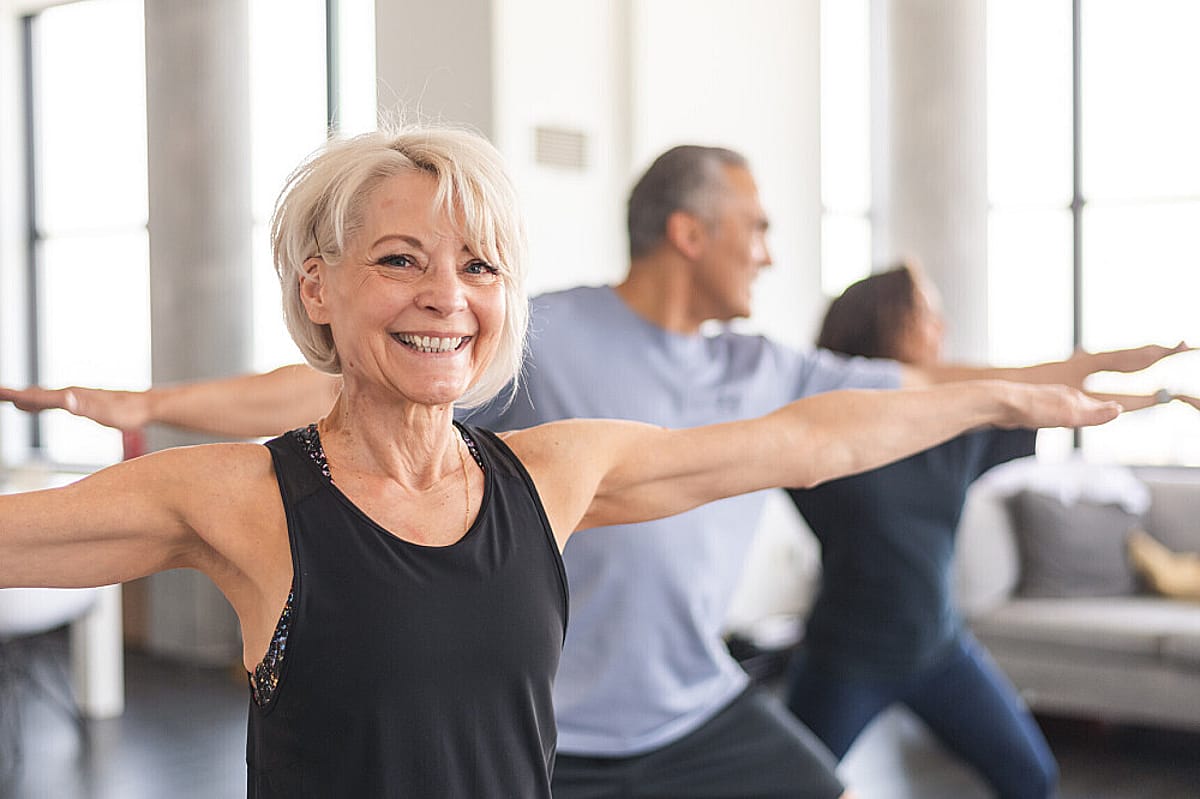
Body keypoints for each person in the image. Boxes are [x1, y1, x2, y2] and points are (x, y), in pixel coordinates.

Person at [0, 144, 1181, 798]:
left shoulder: (552, 471)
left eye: (477, 266)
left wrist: (1008, 396)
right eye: (400, 259)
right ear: (319, 287)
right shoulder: (242, 494)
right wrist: (153, 404)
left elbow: (811, 436)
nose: (444, 297)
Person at [784, 263, 1198, 799]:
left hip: (941, 650)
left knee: (1031, 777)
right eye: (927, 314)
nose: (942, 328)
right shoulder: (825, 435)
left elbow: (1058, 398)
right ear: (886, 326)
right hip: (846, 659)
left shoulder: (957, 428)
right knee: (788, 787)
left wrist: (1162, 395)